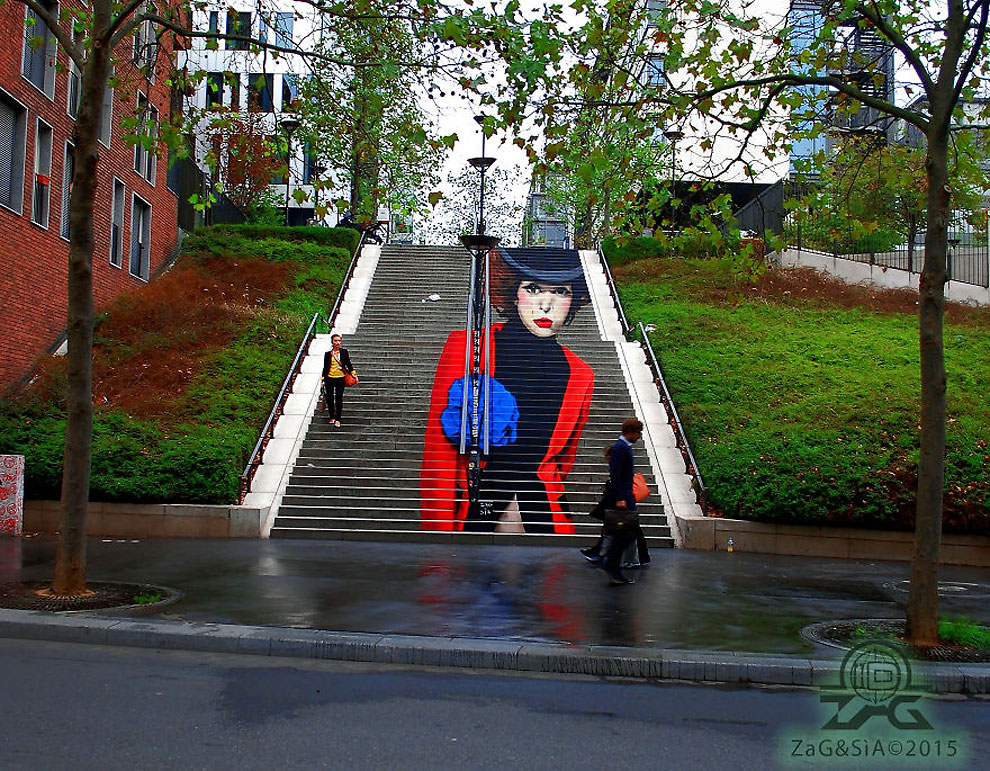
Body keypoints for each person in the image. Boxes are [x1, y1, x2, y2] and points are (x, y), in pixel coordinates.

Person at [421, 247, 595, 533]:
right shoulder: (468, 347)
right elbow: (439, 456)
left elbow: (564, 461)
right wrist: (438, 536)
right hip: (477, 512)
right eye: (534, 288)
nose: (546, 305)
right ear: (514, 293)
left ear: (573, 299)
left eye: (561, 292)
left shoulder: (581, 374)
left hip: (545, 518)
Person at [601, 418, 644, 585]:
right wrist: (620, 498)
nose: (639, 436)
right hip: (623, 497)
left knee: (625, 533)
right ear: (630, 432)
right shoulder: (620, 448)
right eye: (638, 433)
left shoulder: (623, 447)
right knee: (625, 533)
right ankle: (611, 564)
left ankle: (611, 564)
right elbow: (616, 475)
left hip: (626, 496)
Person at [322, 333, 355, 427]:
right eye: (336, 340)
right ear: (332, 342)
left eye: (339, 341)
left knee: (339, 397)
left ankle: (338, 419)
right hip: (329, 378)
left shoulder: (344, 352)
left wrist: (353, 373)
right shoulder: (328, 354)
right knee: (330, 397)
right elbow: (325, 367)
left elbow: (348, 363)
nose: (337, 342)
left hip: (340, 378)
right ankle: (331, 416)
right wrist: (323, 379)